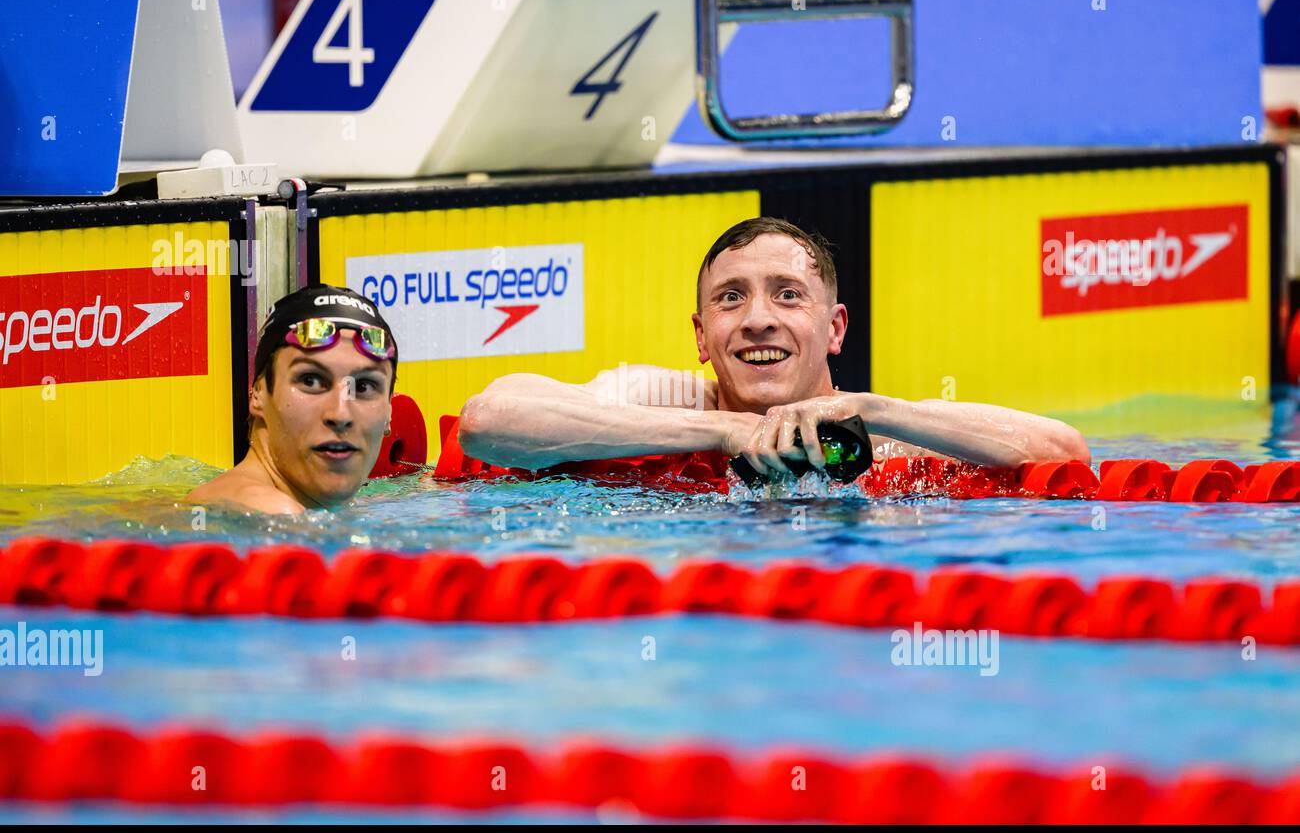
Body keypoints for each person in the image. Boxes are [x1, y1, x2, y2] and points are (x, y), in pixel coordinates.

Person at [457, 217, 1089, 480]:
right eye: (731, 298)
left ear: (836, 329)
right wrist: (726, 430)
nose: (758, 319)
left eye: (787, 295)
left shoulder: (884, 429)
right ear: (701, 338)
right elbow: (489, 423)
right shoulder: (664, 399)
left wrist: (881, 410)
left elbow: (1068, 457)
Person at [187, 286, 398, 513]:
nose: (340, 414)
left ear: (389, 411)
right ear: (258, 393)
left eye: (364, 386)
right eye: (311, 381)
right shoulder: (274, 512)